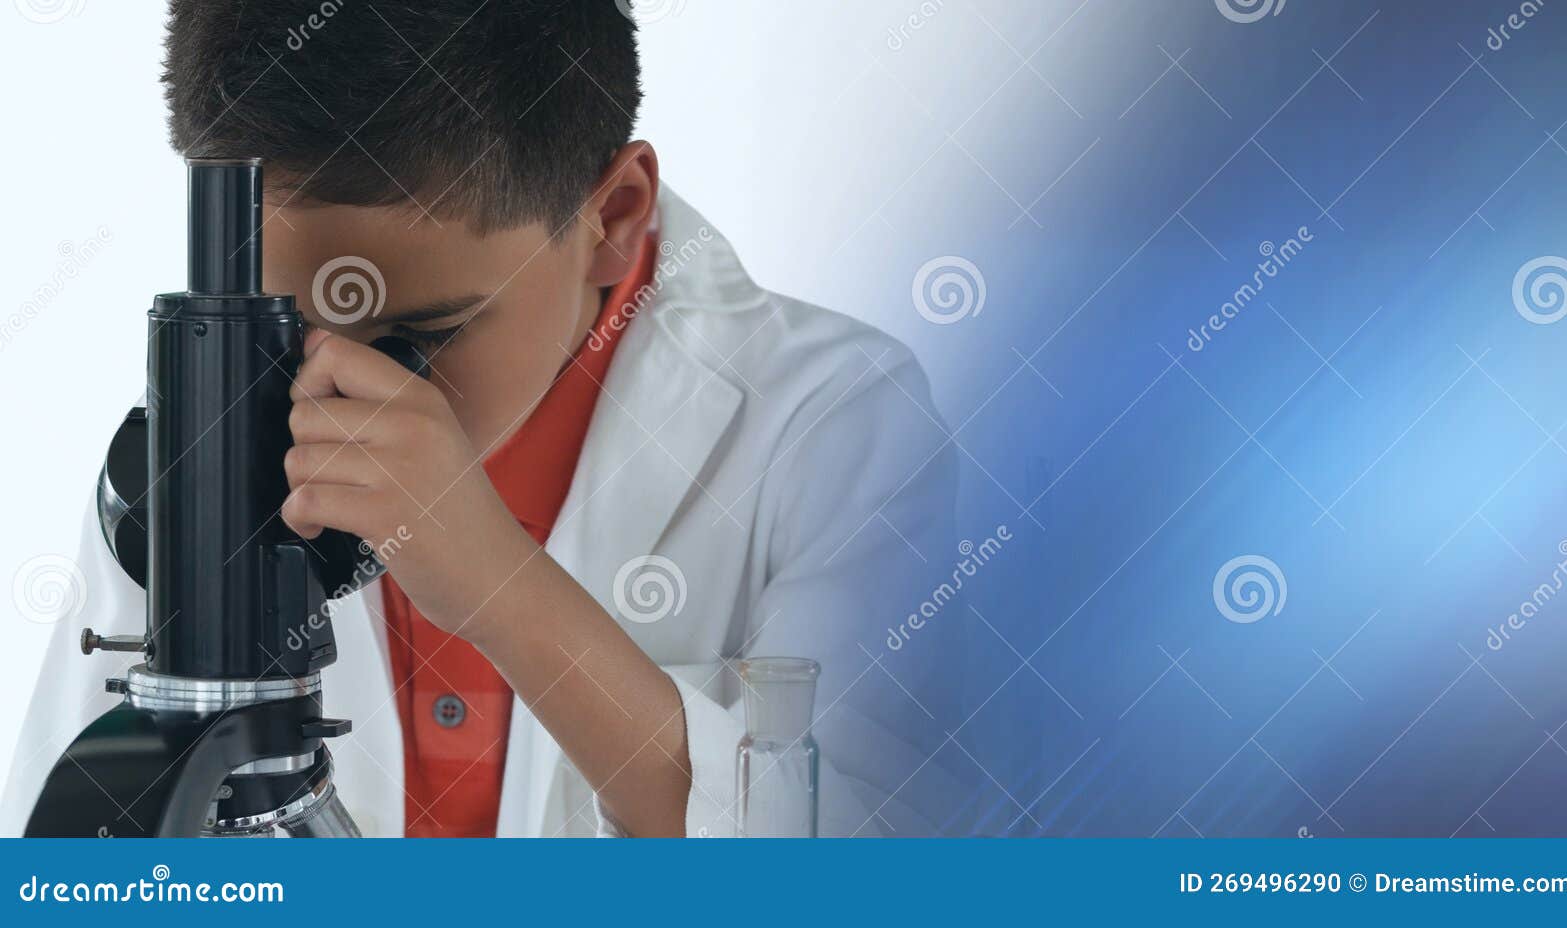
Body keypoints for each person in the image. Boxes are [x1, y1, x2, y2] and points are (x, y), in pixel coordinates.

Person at [2, 0, 960, 837]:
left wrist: (503, 591)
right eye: (291, 333)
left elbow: (882, 867)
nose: (342, 394)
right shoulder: (193, 445)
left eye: (423, 335)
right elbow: (70, 857)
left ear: (613, 215)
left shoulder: (837, 422)